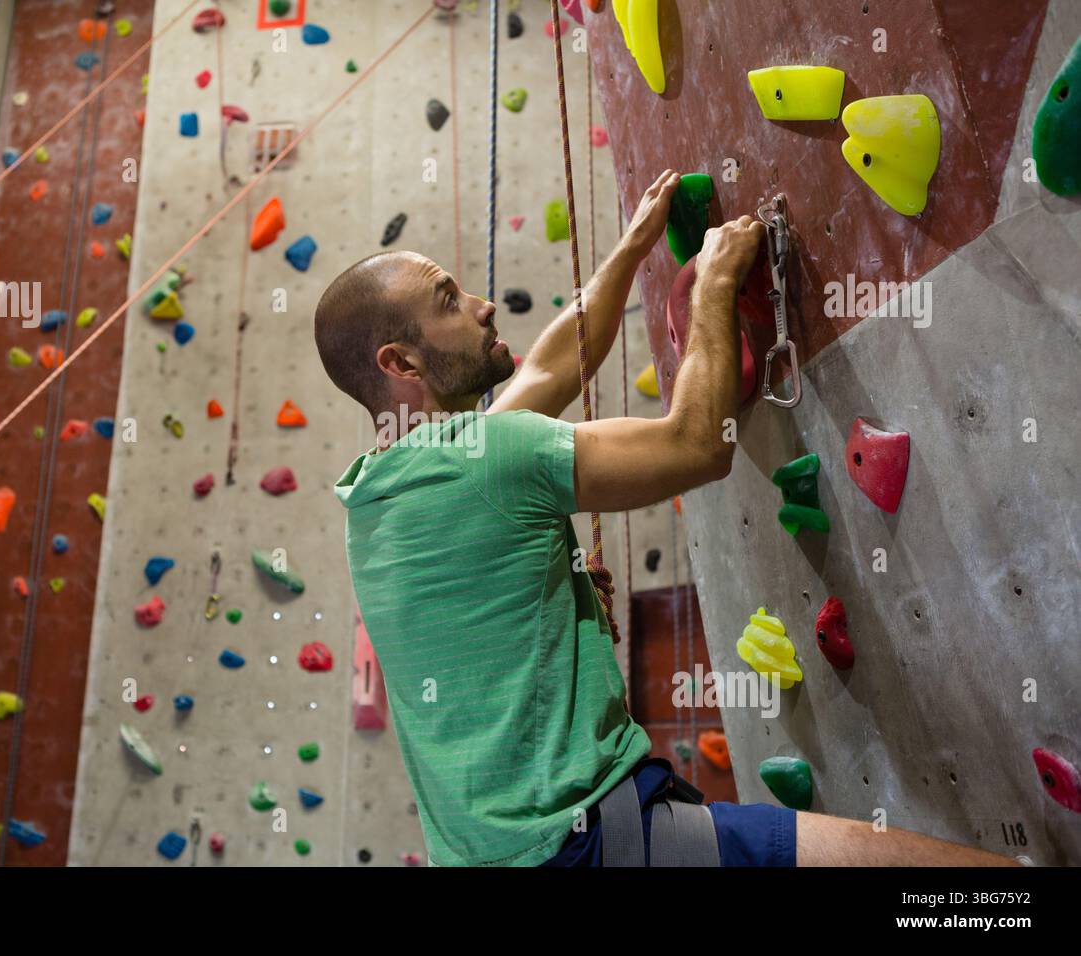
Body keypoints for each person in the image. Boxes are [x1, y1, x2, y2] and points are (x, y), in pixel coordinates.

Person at [315, 169, 1018, 868]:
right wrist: (712, 284)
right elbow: (698, 445)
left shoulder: (383, 495)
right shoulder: (487, 462)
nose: (484, 304)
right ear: (400, 359)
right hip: (585, 845)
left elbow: (550, 372)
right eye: (449, 300)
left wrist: (633, 247)